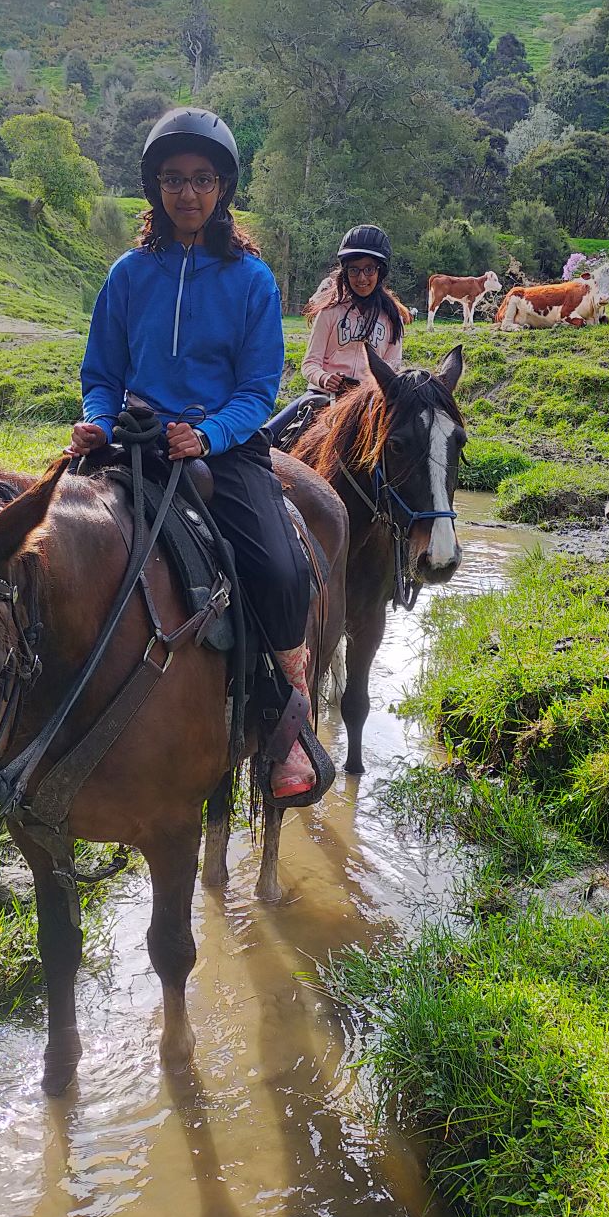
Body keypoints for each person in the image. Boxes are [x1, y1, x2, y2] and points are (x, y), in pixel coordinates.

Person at [69, 107, 318, 800]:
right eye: (173, 179)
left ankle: (289, 719)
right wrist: (97, 420)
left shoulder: (251, 281)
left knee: (277, 564)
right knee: (44, 544)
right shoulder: (127, 274)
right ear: (154, 187)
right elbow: (101, 374)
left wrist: (207, 434)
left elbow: (258, 388)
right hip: (135, 439)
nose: (187, 193)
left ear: (223, 188)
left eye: (202, 179)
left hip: (224, 445)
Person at [268, 225, 406, 444]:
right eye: (354, 270)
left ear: (380, 271)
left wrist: (366, 391)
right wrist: (324, 378)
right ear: (346, 271)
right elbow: (310, 364)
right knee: (265, 438)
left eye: (369, 269)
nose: (361, 278)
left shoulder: (392, 319)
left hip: (367, 403)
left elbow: (392, 368)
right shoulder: (329, 312)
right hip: (323, 397)